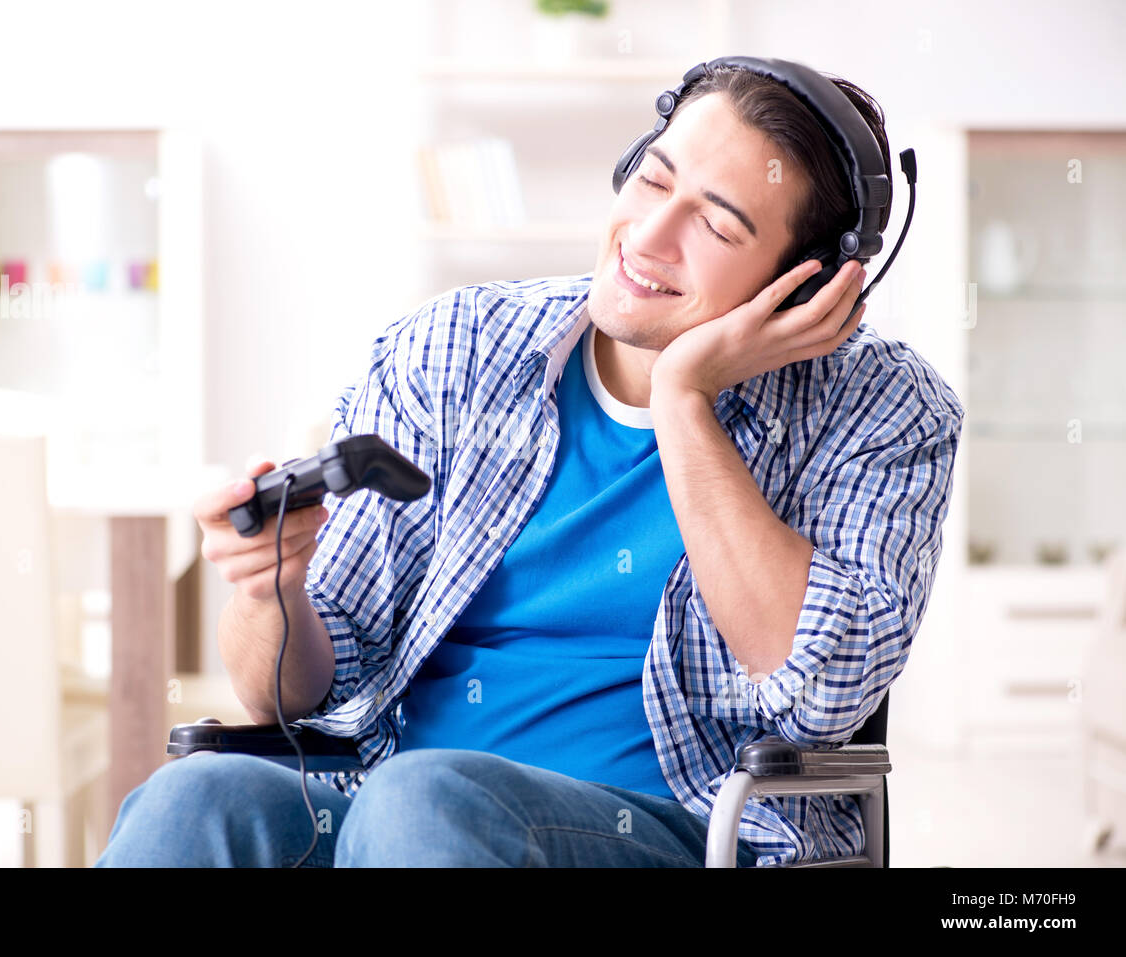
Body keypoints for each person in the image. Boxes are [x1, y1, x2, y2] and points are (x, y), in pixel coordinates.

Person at [96, 61, 963, 868]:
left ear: (809, 288)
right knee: (195, 798)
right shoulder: (458, 347)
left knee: (424, 796)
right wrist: (271, 589)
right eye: (654, 180)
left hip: (675, 830)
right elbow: (292, 701)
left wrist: (683, 398)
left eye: (716, 222)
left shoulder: (884, 409)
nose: (650, 236)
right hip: (389, 812)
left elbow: (815, 690)